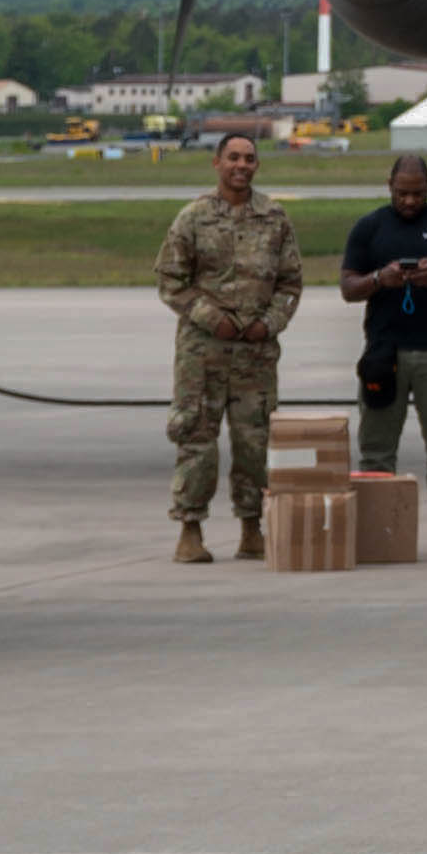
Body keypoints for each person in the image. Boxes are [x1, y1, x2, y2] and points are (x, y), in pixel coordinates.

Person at [151, 132, 303, 563]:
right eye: (233, 157)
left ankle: (252, 528)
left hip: (255, 354)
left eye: (249, 159)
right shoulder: (193, 218)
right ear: (216, 163)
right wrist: (210, 317)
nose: (242, 165)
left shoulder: (274, 218)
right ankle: (190, 528)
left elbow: (290, 282)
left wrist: (269, 324)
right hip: (203, 353)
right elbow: (170, 281)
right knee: (196, 436)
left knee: (255, 439)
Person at [342, 154, 427, 555]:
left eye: (417, 193)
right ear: (389, 186)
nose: (409, 201)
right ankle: (375, 530)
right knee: (376, 446)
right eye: (402, 193)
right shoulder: (369, 228)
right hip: (384, 354)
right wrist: (379, 279)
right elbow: (348, 287)